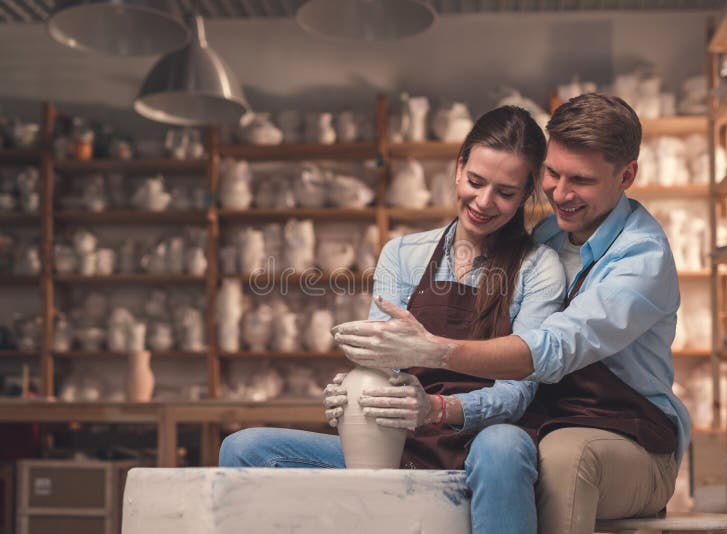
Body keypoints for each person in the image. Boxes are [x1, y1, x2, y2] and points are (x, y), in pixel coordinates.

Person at [333, 93, 692, 534]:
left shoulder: (642, 259)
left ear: (627, 175)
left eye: (580, 180)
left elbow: (553, 348)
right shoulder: (550, 234)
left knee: (552, 457)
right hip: (549, 420)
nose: (560, 194)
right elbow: (382, 357)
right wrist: (353, 389)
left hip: (633, 435)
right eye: (553, 174)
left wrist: (438, 358)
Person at [219, 105, 566, 534]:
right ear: (458, 169)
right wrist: (350, 395)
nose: (483, 202)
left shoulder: (539, 266)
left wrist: (436, 409)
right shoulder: (403, 254)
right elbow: (380, 366)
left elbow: (518, 392)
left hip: (482, 446)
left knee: (504, 444)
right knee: (243, 447)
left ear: (527, 192)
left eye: (506, 192)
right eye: (475, 182)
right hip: (402, 443)